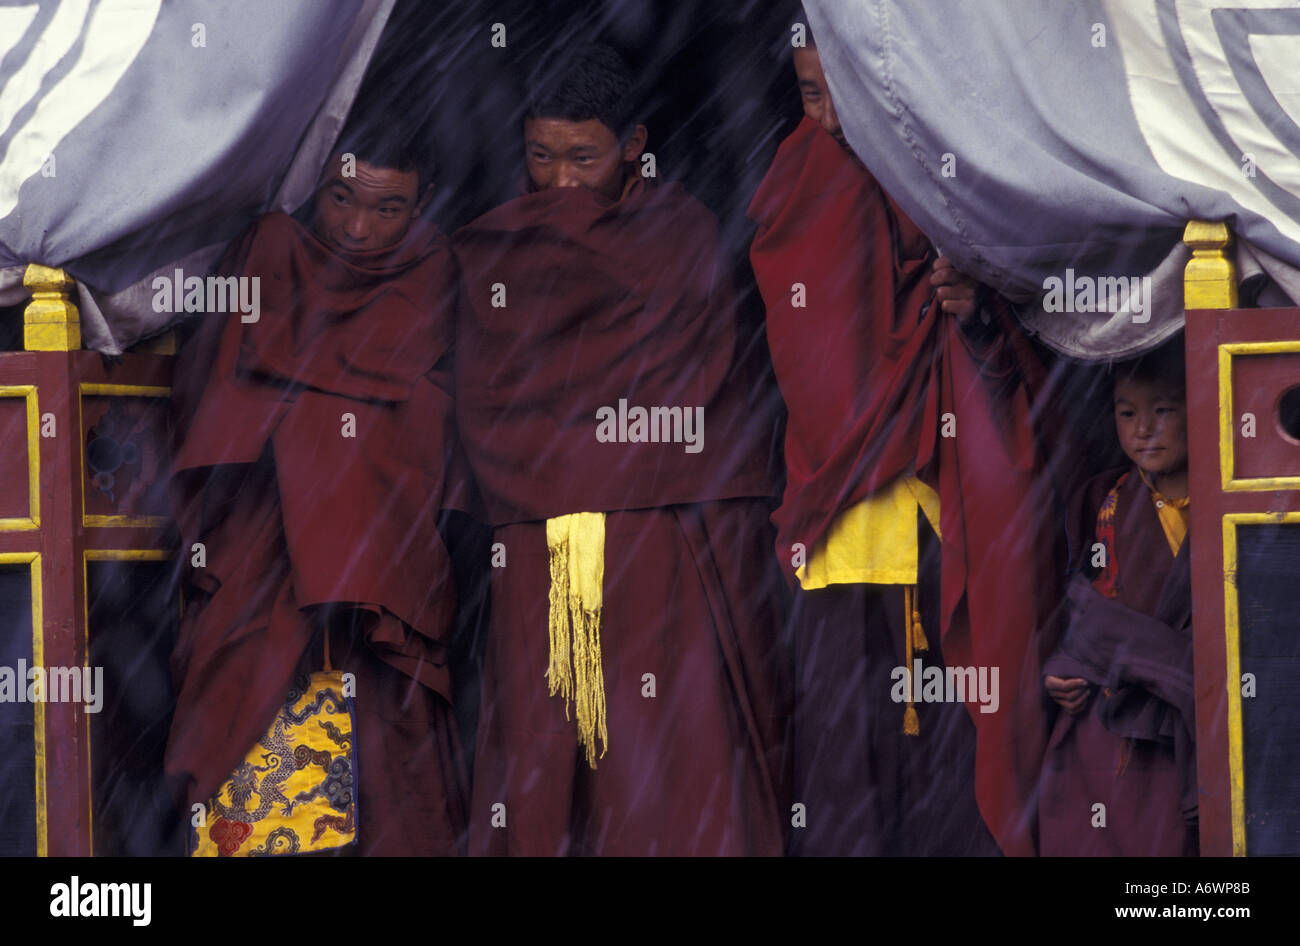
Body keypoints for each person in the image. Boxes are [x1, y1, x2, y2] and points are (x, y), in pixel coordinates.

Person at [452, 43, 790, 856]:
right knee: (545, 747)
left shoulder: (679, 236)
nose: (561, 185)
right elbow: (483, 401)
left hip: (657, 545)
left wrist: (585, 458)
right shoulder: (497, 252)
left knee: (665, 755)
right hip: (545, 546)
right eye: (541, 157)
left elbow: (707, 396)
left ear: (634, 142)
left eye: (583, 158)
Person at [747, 21, 1055, 856]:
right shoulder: (794, 183)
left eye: (848, 94)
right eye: (812, 95)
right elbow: (813, 363)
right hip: (840, 513)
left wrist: (974, 306)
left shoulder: (944, 173)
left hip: (937, 494)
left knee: (956, 738)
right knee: (850, 757)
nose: (836, 120)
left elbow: (1018, 337)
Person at [164, 114, 470, 856]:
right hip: (263, 558)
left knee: (391, 767)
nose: (359, 229)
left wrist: (315, 429)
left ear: (422, 202)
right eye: (341, 198)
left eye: (388, 208)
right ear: (314, 187)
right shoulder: (272, 250)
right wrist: (335, 434)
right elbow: (210, 395)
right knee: (244, 741)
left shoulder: (433, 270)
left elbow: (442, 417)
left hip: (377, 568)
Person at [1038, 342, 1197, 856]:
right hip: (1116, 711)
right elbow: (1086, 610)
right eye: (1127, 413)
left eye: (1164, 410)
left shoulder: (1232, 500)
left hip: (1190, 716)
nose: (1142, 429)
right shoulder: (1105, 499)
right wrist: (1062, 667)